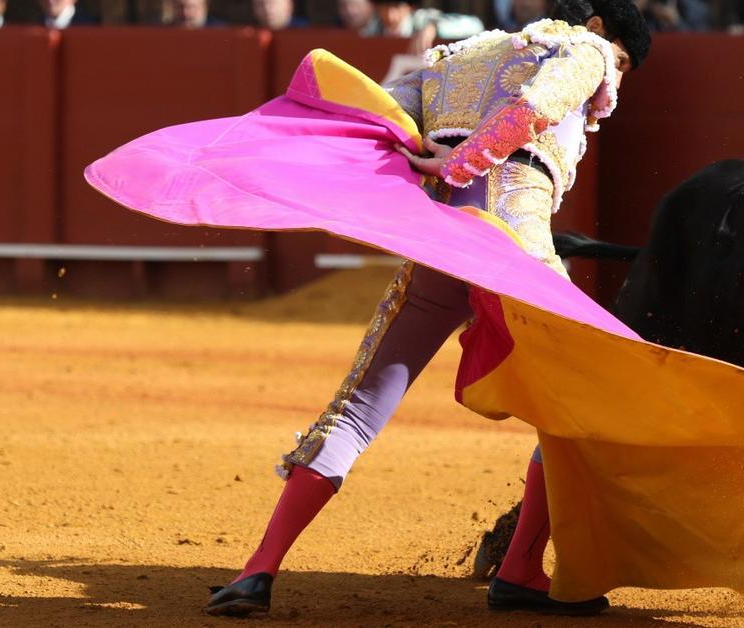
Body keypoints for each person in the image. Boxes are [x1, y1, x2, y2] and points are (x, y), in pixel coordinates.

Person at [199, 0, 650, 617]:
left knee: (358, 405)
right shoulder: (587, 50)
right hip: (510, 242)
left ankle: (257, 570)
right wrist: (462, 161)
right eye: (623, 62)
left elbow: (377, 112)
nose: (615, 78)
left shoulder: (461, 56)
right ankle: (520, 568)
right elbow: (540, 106)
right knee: (575, 404)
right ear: (600, 28)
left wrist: (434, 168)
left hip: (440, 236)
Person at [339, 0, 484, 54]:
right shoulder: (374, 28)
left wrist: (433, 28)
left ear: (409, 7)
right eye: (385, 7)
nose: (390, 14)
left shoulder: (421, 19)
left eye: (396, 6)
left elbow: (475, 24)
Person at [634, 0, 710, 31]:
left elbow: (701, 42)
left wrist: (676, 22)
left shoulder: (696, 9)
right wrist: (636, 10)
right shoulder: (644, 5)